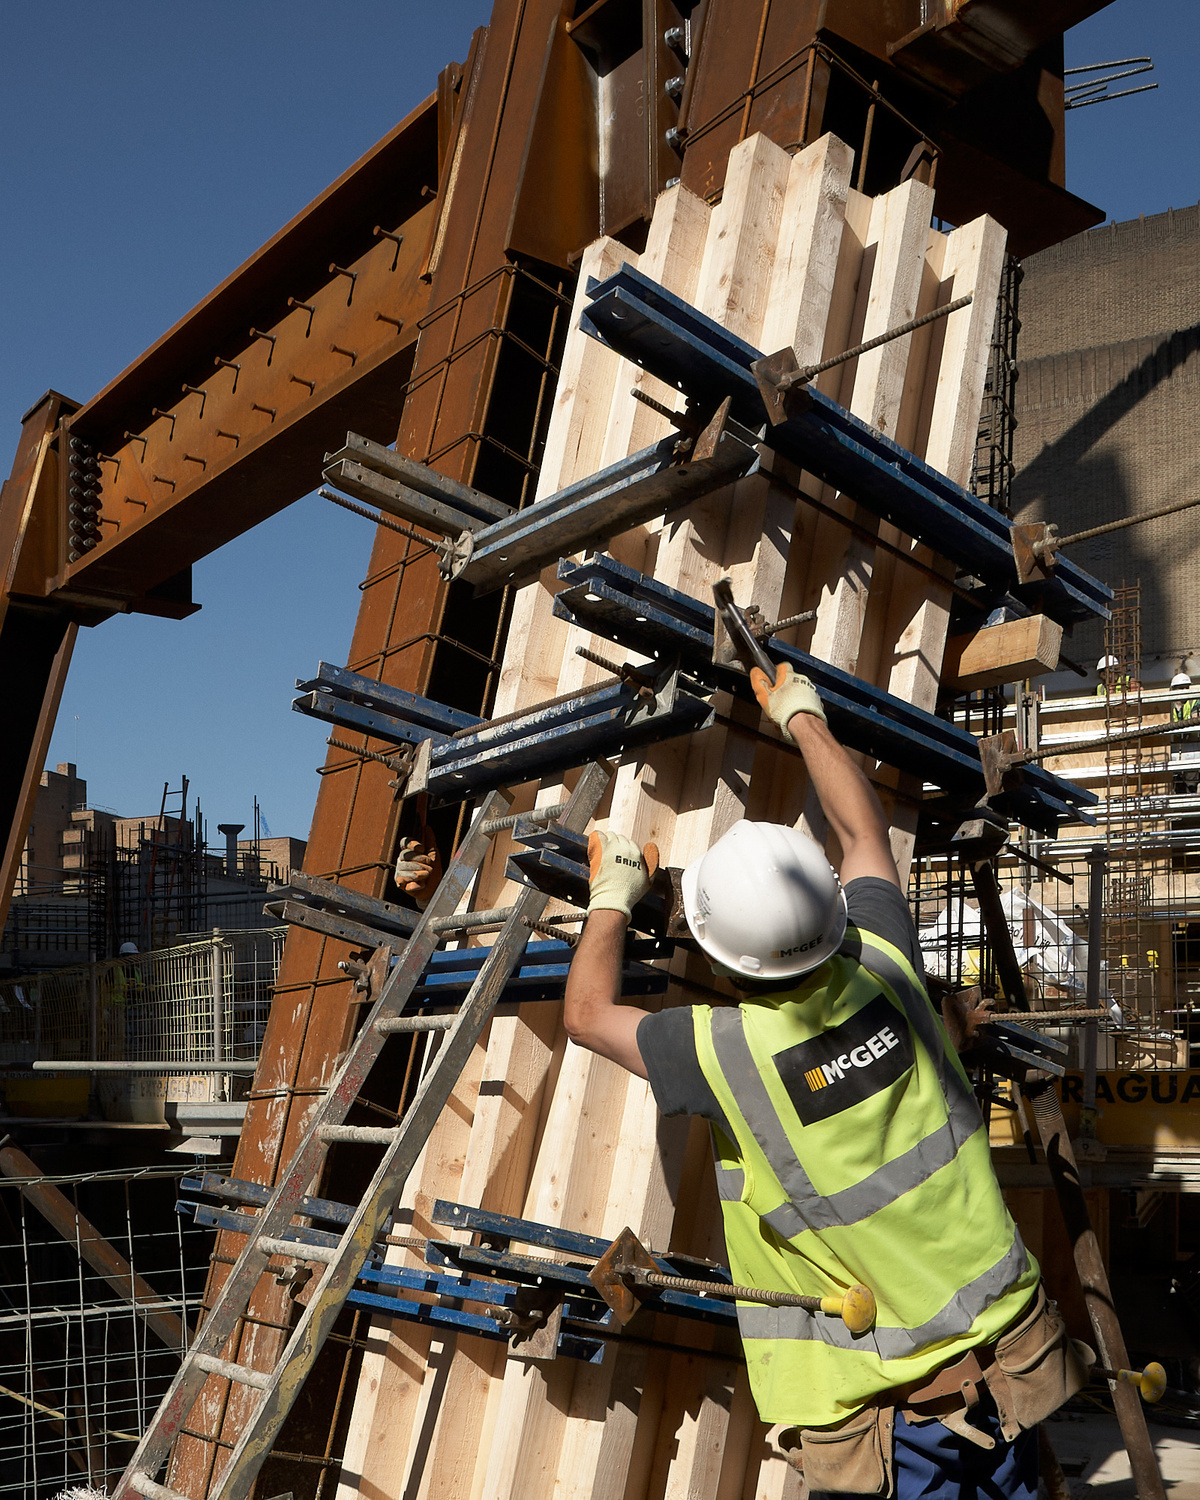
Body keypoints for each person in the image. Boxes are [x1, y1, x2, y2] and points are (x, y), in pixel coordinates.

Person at [564, 664, 1087, 1499]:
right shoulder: (888, 967)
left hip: (906, 1429)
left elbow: (587, 1015)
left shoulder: (724, 1054)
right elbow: (867, 836)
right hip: (1013, 1366)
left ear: (716, 948)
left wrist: (612, 894)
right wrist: (803, 716)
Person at [1170, 671, 1200, 795]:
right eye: (1181, 688)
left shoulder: (1194, 702)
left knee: (1191, 781)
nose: (1184, 690)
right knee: (1177, 784)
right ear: (1173, 689)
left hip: (1191, 747)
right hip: (1174, 747)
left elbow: (1196, 717)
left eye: (1186, 688)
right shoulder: (1168, 704)